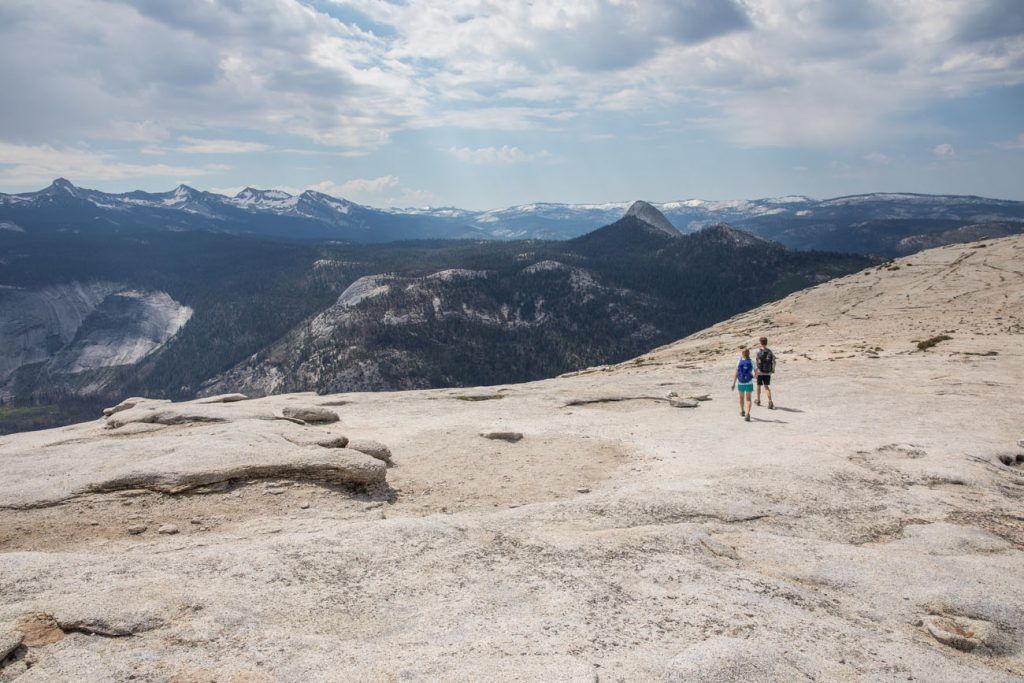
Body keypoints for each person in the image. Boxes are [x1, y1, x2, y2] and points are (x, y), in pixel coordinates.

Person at [732, 347, 754, 422]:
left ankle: (742, 411)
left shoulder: (739, 361)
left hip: (740, 382)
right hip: (749, 382)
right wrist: (754, 377)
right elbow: (756, 372)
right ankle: (748, 413)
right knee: (748, 399)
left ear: (742, 354)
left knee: (741, 397)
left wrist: (734, 383)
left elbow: (736, 373)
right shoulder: (751, 362)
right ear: (749, 354)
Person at [754, 336, 775, 409]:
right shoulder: (770, 351)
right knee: (766, 387)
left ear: (760, 343)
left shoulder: (758, 351)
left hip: (760, 372)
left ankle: (758, 400)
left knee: (759, 386)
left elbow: (757, 362)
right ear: (766, 342)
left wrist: (756, 372)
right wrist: (772, 370)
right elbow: (774, 361)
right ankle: (770, 401)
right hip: (768, 371)